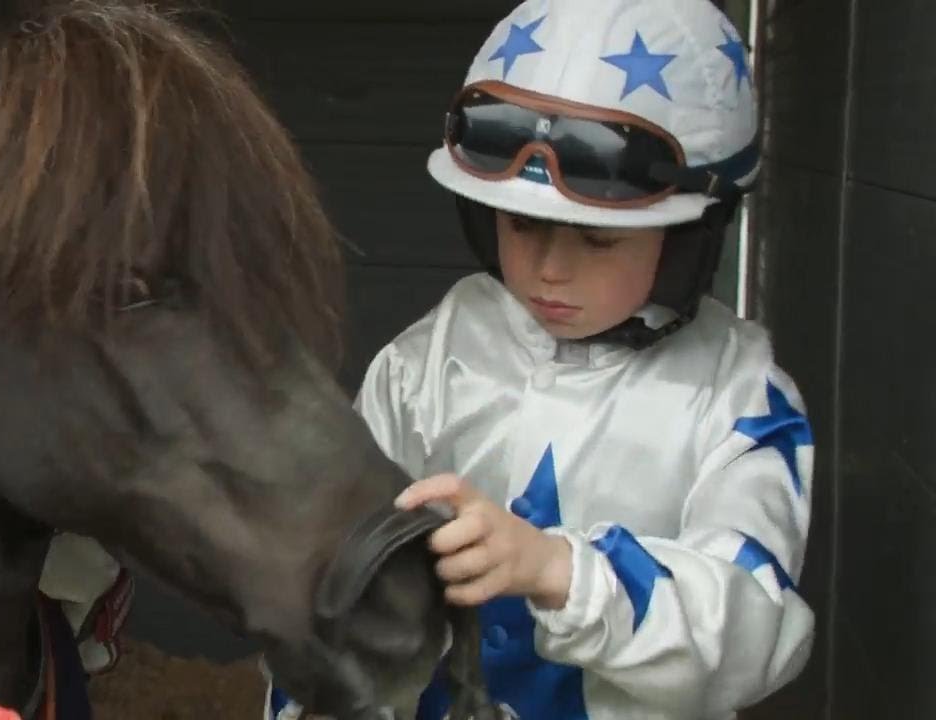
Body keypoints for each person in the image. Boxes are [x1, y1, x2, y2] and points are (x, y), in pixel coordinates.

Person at [267, 0, 814, 717]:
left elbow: (754, 627)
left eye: (597, 239)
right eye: (522, 224)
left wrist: (560, 572)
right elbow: (325, 584)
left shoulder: (741, 397)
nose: (550, 269)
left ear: (693, 236)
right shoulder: (429, 361)